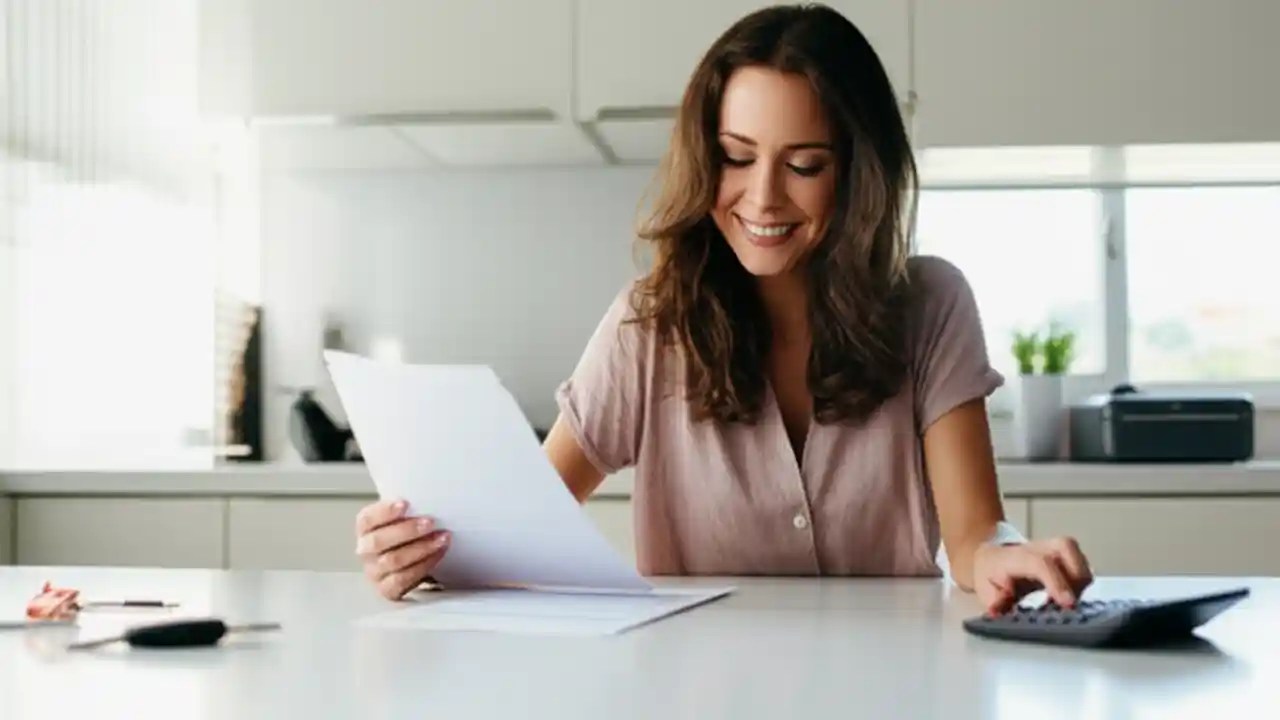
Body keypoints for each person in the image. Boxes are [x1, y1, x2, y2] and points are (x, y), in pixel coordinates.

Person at [354, 3, 1093, 614]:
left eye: (805, 165)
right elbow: (522, 529)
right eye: (737, 157)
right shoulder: (649, 325)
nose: (763, 197)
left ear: (858, 174)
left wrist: (1002, 555)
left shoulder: (931, 305)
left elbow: (972, 537)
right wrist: (418, 554)